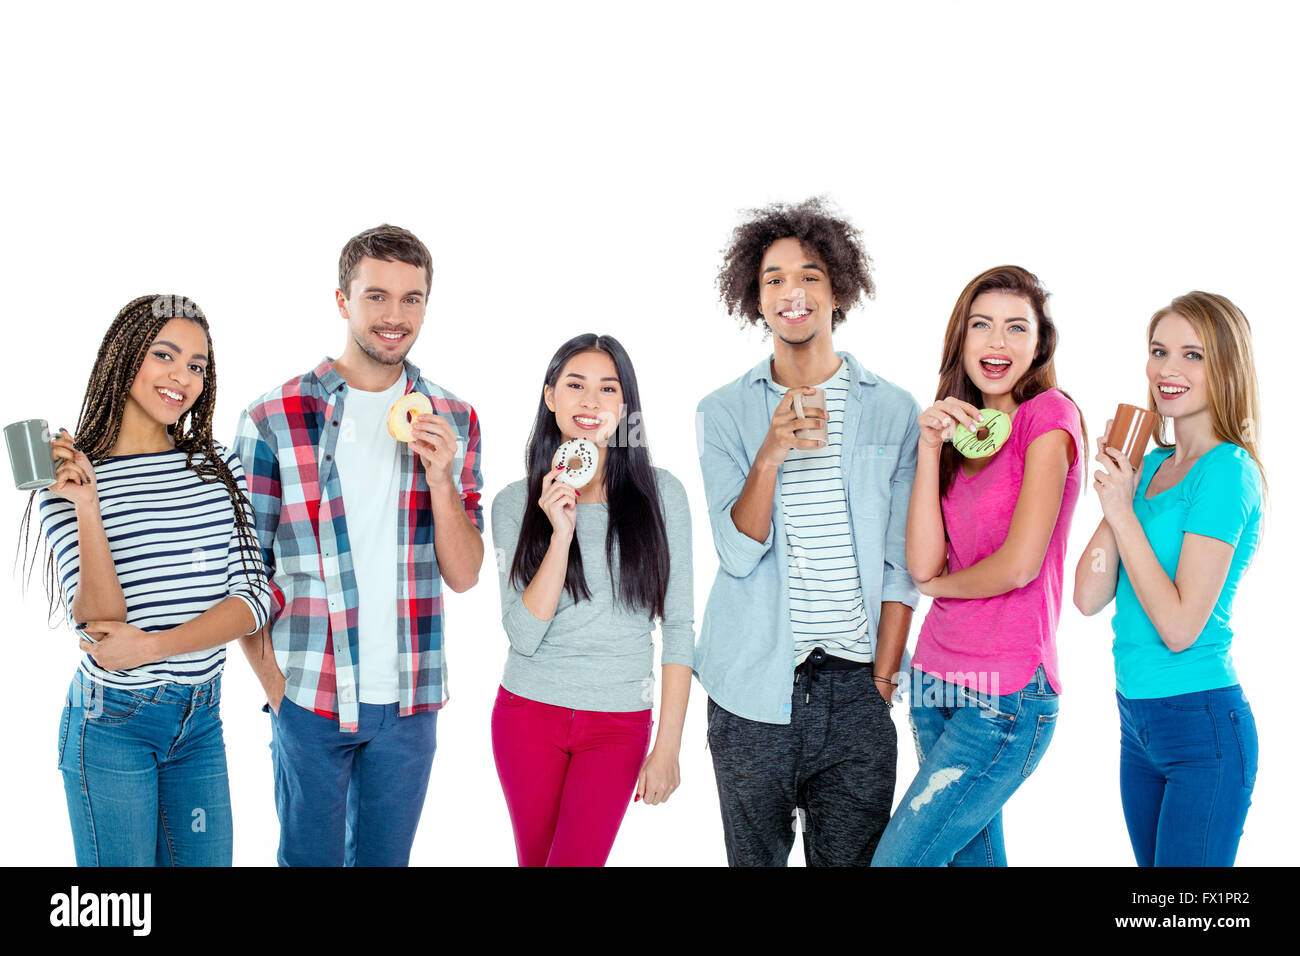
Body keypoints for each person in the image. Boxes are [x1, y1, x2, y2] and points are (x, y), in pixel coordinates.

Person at [232, 224, 485, 867]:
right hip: (309, 697)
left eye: (411, 298)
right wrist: (277, 690)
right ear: (342, 300)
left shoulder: (454, 418)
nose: (394, 316)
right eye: (376, 296)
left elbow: (464, 574)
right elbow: (244, 573)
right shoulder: (273, 417)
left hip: (410, 702)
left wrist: (441, 479)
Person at [695, 197, 920, 867]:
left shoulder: (893, 409)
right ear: (755, 301)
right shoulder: (723, 412)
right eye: (774, 280)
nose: (792, 292)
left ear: (838, 290)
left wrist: (881, 680)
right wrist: (768, 455)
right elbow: (735, 552)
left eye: (811, 275)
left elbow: (899, 565)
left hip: (857, 693)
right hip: (750, 690)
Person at [32, 293, 271, 866]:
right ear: (125, 355)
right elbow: (100, 627)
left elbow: (254, 598)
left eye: (196, 365)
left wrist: (155, 645)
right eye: (166, 355)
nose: (182, 377)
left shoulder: (217, 465)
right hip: (113, 724)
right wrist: (88, 507)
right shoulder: (65, 481)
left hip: (200, 721)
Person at [871, 266, 1084, 867]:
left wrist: (939, 587)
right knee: (970, 861)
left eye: (1017, 328)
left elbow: (1019, 566)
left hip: (1008, 691)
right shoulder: (955, 434)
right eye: (981, 325)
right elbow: (922, 562)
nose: (997, 343)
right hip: (934, 678)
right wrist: (930, 444)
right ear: (960, 341)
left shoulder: (1049, 415)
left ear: (1039, 343)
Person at [1073, 291, 1263, 867]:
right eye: (1159, 351)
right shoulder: (1151, 467)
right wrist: (1115, 497)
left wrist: (1125, 513)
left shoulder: (1228, 472)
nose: (1168, 370)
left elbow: (1181, 627)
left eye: (1193, 355)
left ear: (1226, 368)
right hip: (1139, 724)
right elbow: (1087, 595)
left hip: (1202, 724)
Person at [490, 333, 693, 867]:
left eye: (608, 388)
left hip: (619, 723)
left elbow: (678, 627)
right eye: (575, 385)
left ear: (624, 406)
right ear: (550, 396)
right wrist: (560, 533)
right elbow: (522, 633)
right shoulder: (515, 503)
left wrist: (668, 747)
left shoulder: (663, 497)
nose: (591, 401)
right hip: (528, 716)